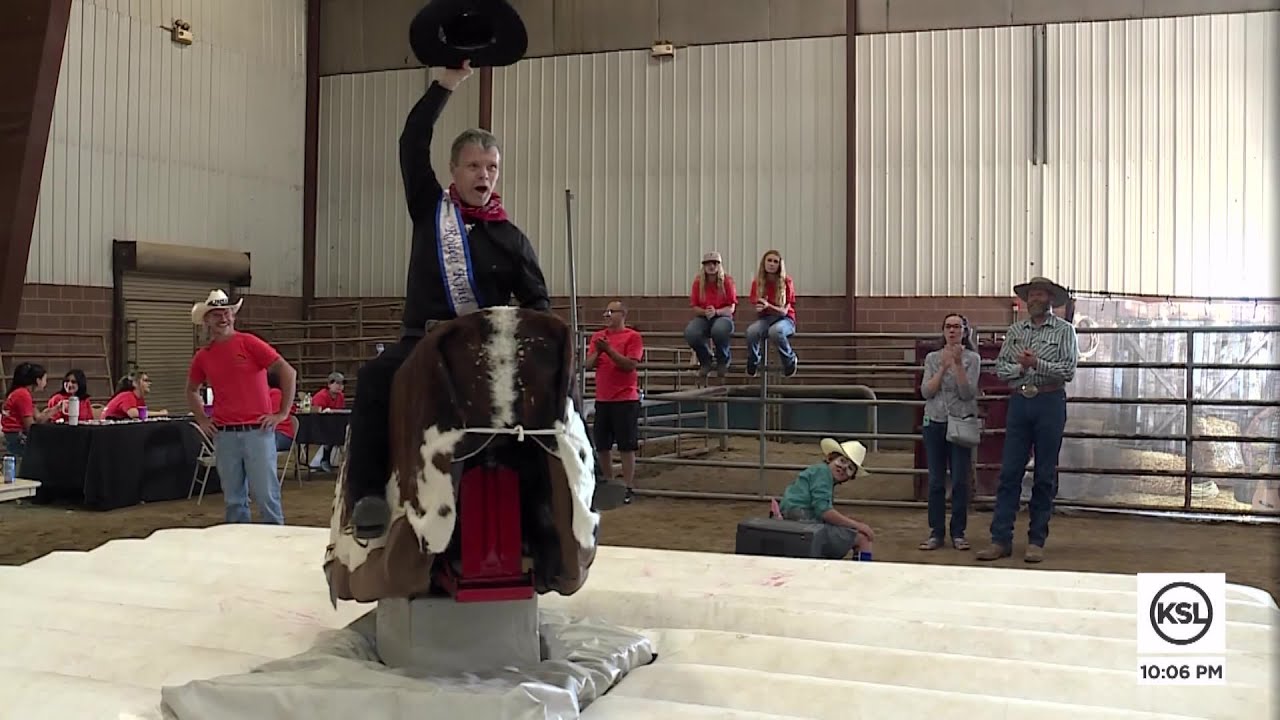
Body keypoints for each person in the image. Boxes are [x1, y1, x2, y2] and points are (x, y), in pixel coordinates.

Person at [345, 60, 553, 539]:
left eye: (492, 167)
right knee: (375, 378)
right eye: (475, 166)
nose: (485, 175)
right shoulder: (428, 208)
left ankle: (569, 491)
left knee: (556, 374)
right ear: (454, 170)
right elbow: (411, 141)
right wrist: (446, 85)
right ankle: (368, 497)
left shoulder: (512, 238)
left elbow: (538, 303)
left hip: (486, 351)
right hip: (423, 342)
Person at [976, 276, 1078, 563]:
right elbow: (1001, 367)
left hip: (1049, 400)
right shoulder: (1015, 331)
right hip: (1021, 400)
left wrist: (1037, 364)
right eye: (1031, 294)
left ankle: (1036, 540)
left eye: (1040, 294)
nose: (1034, 299)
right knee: (1009, 472)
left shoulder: (1064, 332)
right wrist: (1021, 369)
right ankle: (1000, 538)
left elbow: (1068, 370)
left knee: (1045, 473)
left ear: (1050, 299)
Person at [186, 289, 296, 525]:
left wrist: (282, 413)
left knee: (266, 496)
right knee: (234, 499)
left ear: (233, 316)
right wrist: (203, 420)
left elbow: (287, 371)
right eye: (216, 314)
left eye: (226, 312)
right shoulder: (203, 357)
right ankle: (242, 543)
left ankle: (275, 542)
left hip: (257, 431)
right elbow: (191, 389)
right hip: (226, 435)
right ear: (207, 320)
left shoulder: (249, 343)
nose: (223, 318)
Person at [918, 314, 982, 552]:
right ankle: (936, 532)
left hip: (960, 422)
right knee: (936, 480)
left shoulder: (973, 359)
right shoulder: (932, 358)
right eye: (948, 326)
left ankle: (958, 532)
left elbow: (967, 393)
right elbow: (926, 391)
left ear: (965, 331)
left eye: (957, 327)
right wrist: (944, 366)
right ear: (942, 330)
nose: (953, 331)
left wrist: (957, 365)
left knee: (959, 480)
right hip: (934, 421)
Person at [777, 438, 875, 560]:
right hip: (803, 522)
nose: (844, 468)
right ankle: (862, 574)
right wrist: (858, 526)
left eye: (850, 468)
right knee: (863, 538)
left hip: (797, 520)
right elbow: (824, 512)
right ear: (831, 458)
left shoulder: (819, 472)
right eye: (842, 461)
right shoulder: (823, 473)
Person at [586, 301, 644, 503]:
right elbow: (588, 364)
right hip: (603, 398)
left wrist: (609, 350)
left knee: (626, 446)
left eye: (612, 311)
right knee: (602, 445)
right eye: (606, 311)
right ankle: (609, 484)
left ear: (623, 314)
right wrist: (600, 350)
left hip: (625, 398)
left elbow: (629, 365)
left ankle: (628, 486)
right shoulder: (598, 338)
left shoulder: (633, 337)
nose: (607, 315)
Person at [683, 251, 737, 378]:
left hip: (723, 316)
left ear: (719, 265)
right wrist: (705, 312)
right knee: (691, 333)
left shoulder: (727, 281)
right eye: (708, 264)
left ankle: (722, 359)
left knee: (719, 330)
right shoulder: (698, 283)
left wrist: (716, 312)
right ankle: (706, 359)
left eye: (715, 263)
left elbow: (731, 307)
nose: (711, 266)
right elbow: (694, 306)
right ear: (704, 266)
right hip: (704, 316)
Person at [745, 249, 797, 378]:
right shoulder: (757, 283)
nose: (772, 264)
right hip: (766, 318)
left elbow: (784, 311)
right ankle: (754, 361)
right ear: (764, 263)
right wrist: (760, 307)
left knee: (775, 331)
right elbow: (755, 303)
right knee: (751, 331)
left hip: (785, 320)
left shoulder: (786, 282)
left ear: (780, 265)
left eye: (775, 261)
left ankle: (790, 360)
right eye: (769, 260)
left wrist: (768, 306)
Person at [1, 363, 52, 468]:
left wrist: (56, 409)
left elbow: (38, 418)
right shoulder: (23, 395)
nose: (45, 383)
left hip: (11, 435)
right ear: (38, 380)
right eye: (45, 379)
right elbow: (31, 427)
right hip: (15, 437)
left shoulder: (21, 393)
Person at [306, 371, 345, 472]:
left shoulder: (340, 396)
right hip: (318, 426)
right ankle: (325, 459)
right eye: (336, 383)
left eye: (341, 383)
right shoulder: (321, 396)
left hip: (334, 425)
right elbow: (315, 413)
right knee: (331, 433)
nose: (339, 386)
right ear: (329, 384)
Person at [102, 371, 166, 420]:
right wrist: (160, 413)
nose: (149, 383)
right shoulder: (127, 395)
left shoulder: (140, 399)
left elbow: (142, 417)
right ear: (135, 383)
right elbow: (133, 414)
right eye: (145, 381)